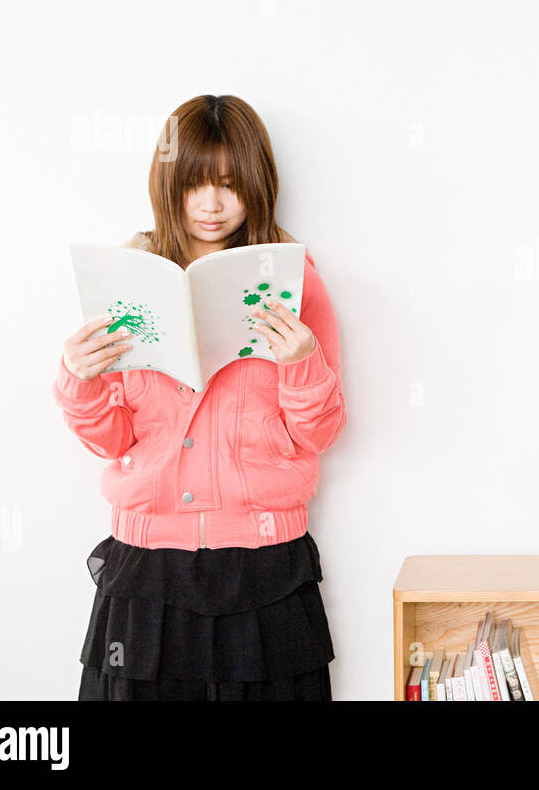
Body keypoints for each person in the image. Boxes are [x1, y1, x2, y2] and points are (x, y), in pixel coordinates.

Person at [52, 94, 347, 699]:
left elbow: (319, 432)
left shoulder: (295, 282)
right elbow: (110, 440)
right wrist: (78, 378)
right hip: (147, 563)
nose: (212, 205)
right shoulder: (126, 281)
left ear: (258, 185)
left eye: (231, 185)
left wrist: (300, 363)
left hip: (263, 562)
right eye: (193, 184)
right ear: (168, 183)